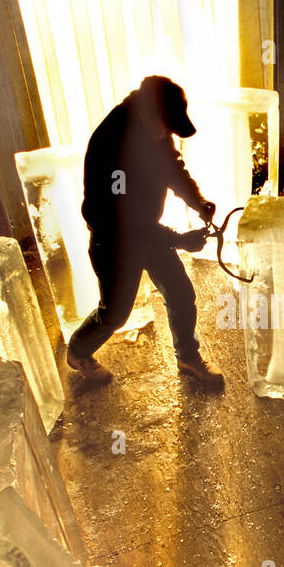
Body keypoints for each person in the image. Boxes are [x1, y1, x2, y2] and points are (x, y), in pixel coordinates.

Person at [66, 75, 225, 388]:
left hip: (147, 231)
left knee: (180, 292)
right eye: (165, 126)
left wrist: (198, 201)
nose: (167, 134)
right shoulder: (112, 148)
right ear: (146, 115)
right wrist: (179, 239)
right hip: (114, 239)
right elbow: (127, 222)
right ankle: (78, 350)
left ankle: (187, 356)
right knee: (115, 313)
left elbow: (172, 168)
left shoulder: (153, 128)